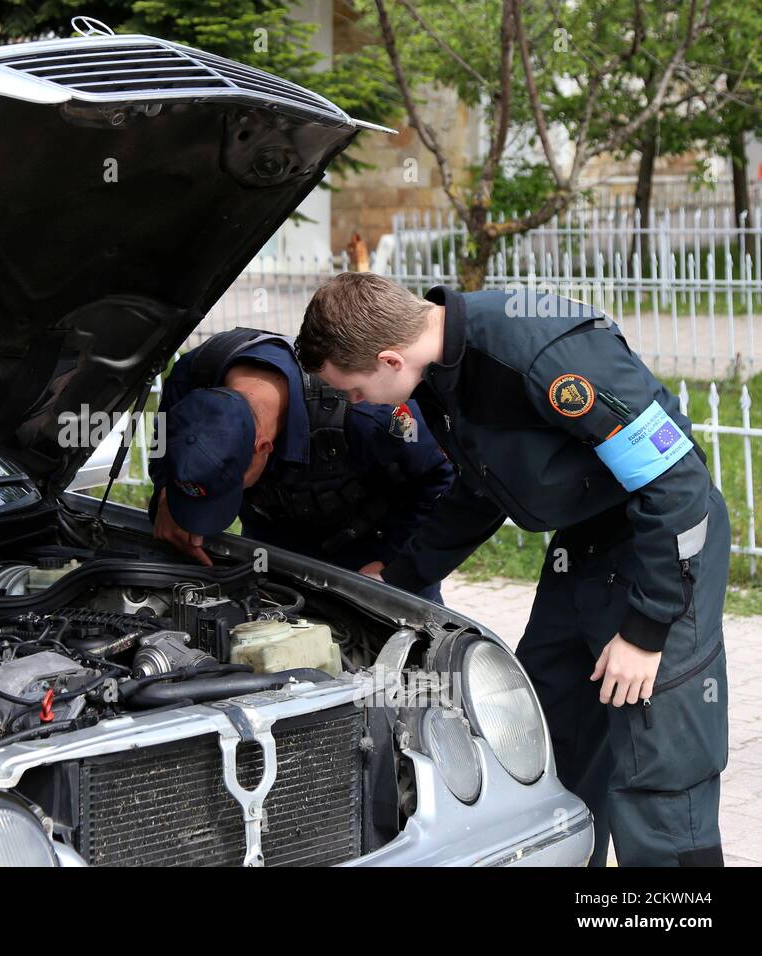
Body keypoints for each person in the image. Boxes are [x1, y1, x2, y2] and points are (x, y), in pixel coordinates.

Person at [298, 271, 729, 867]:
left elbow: (676, 482)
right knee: (546, 739)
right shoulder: (439, 378)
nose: (355, 405)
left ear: (388, 358)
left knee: (659, 767)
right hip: (585, 546)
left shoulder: (540, 356)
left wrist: (646, 631)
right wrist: (396, 575)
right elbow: (481, 493)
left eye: (350, 390)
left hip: (662, 543)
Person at [147, 327, 454, 602]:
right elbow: (165, 438)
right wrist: (169, 490)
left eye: (231, 485)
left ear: (262, 447)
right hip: (273, 551)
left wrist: (397, 566)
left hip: (373, 554)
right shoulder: (195, 375)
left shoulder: (369, 413)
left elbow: (442, 476)